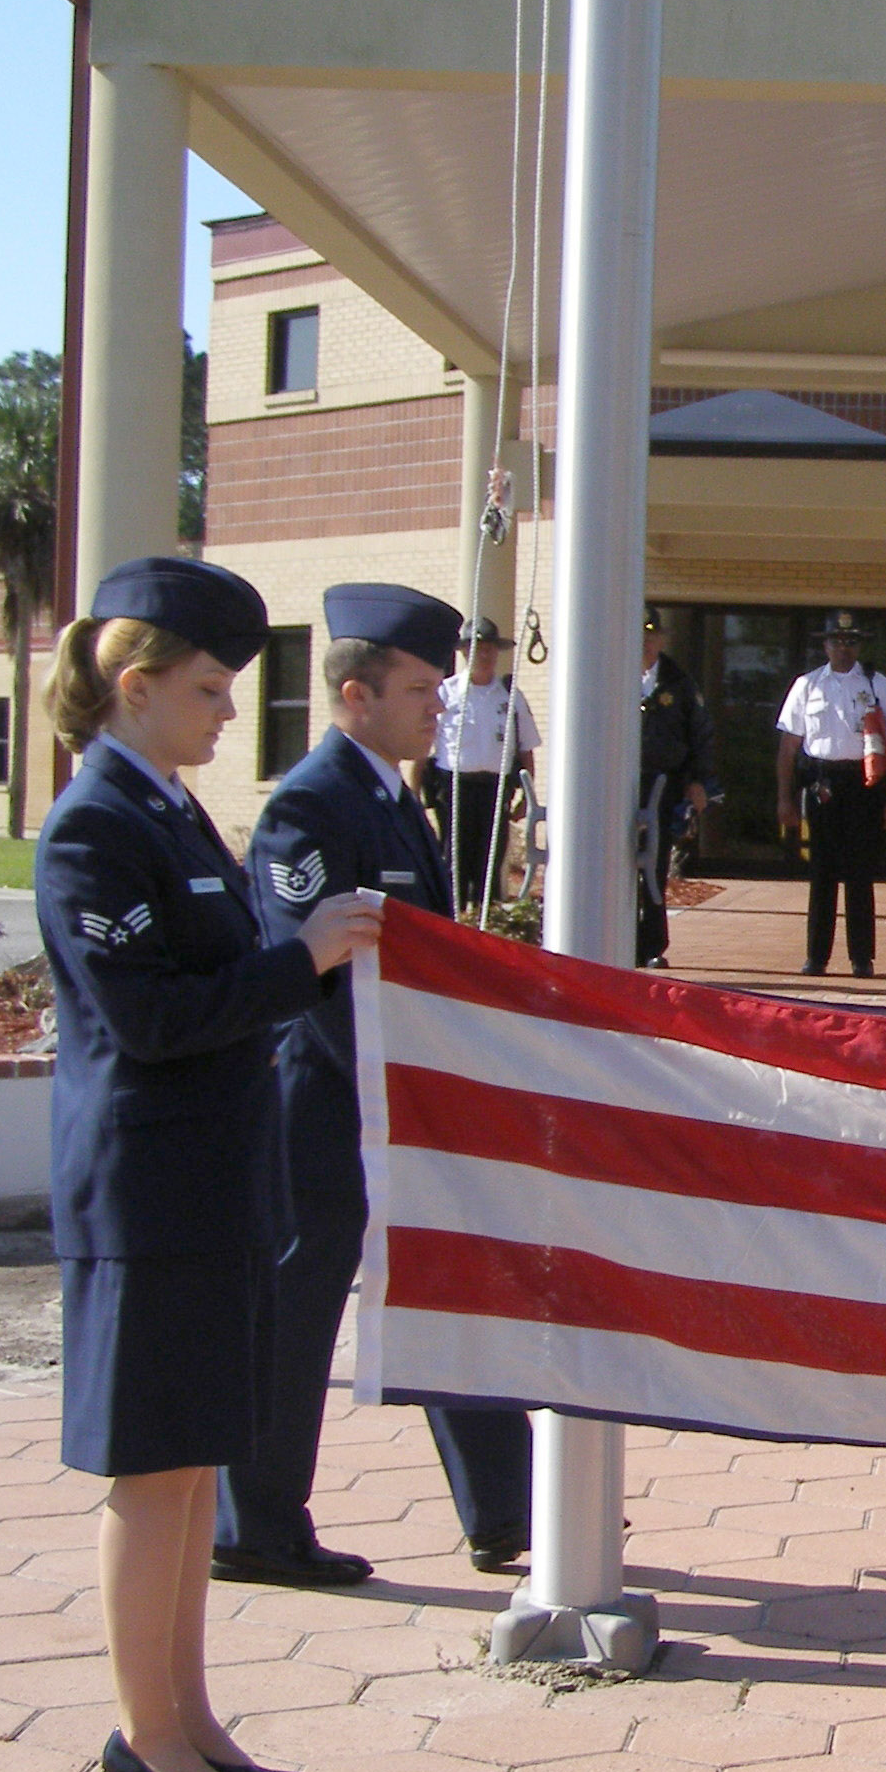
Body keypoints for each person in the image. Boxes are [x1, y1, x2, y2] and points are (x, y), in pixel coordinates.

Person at [37, 554, 381, 1772]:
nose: (229, 710)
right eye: (206, 687)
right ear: (133, 689)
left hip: (210, 1182)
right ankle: (147, 1734)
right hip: (147, 1192)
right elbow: (145, 1018)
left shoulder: (170, 812)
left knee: (190, 1465)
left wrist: (299, 952)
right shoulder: (95, 827)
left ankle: (189, 1720)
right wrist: (301, 961)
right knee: (151, 1471)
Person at [228, 585, 535, 1586]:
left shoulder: (395, 795)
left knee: (450, 1293)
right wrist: (396, 1087)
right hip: (329, 1102)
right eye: (419, 688)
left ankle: (509, 1515)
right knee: (297, 1313)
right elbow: (308, 977)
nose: (438, 705)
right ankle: (256, 1526)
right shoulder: (312, 807)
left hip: (400, 1096)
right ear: (355, 693)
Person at [776, 609, 886, 978]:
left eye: (851, 641)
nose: (844, 648)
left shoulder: (876, 684)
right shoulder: (807, 685)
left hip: (863, 784)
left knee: (860, 871)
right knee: (821, 872)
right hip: (821, 784)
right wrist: (784, 798)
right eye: (837, 641)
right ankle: (816, 957)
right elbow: (789, 747)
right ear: (826, 644)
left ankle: (861, 957)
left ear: (859, 645)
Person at [428, 615, 538, 911]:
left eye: (490, 648)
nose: (485, 655)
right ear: (464, 652)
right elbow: (425, 747)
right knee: (454, 858)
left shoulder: (510, 696)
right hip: (453, 786)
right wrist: (413, 790)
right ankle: (453, 920)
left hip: (494, 787)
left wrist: (527, 796)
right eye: (477, 648)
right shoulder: (445, 693)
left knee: (489, 860)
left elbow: (526, 748)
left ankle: (485, 923)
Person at [638, 610, 717, 969]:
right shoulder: (611, 675)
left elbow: (700, 736)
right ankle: (618, 937)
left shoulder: (678, 683)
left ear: (662, 639)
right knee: (615, 864)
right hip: (619, 784)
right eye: (639, 634)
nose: (645, 642)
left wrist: (698, 781)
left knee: (653, 862)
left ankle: (652, 944)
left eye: (652, 635)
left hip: (662, 785)